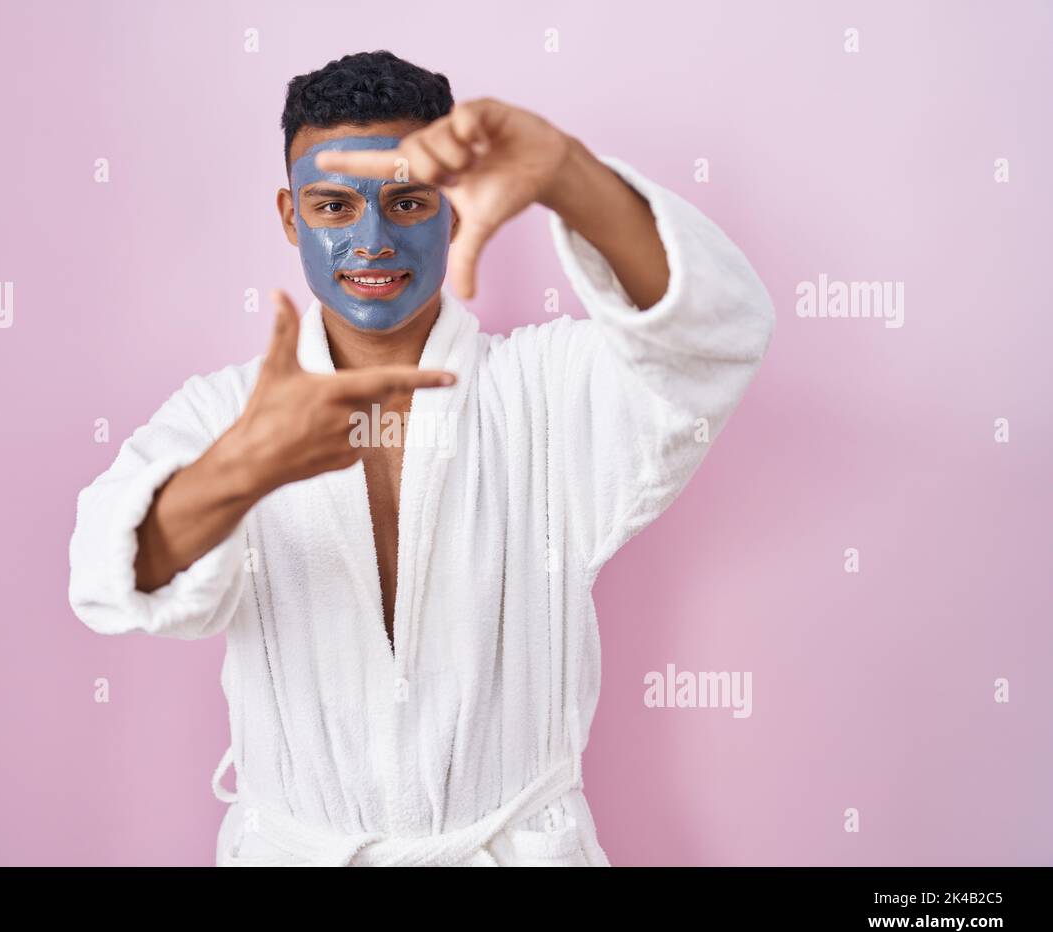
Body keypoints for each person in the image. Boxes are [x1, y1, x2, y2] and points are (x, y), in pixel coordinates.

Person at [68, 50, 775, 866]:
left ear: (456, 210)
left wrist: (568, 175)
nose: (371, 241)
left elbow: (711, 339)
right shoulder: (225, 416)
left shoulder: (545, 392)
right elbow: (107, 575)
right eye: (333, 206)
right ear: (290, 216)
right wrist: (245, 468)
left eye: (407, 201)